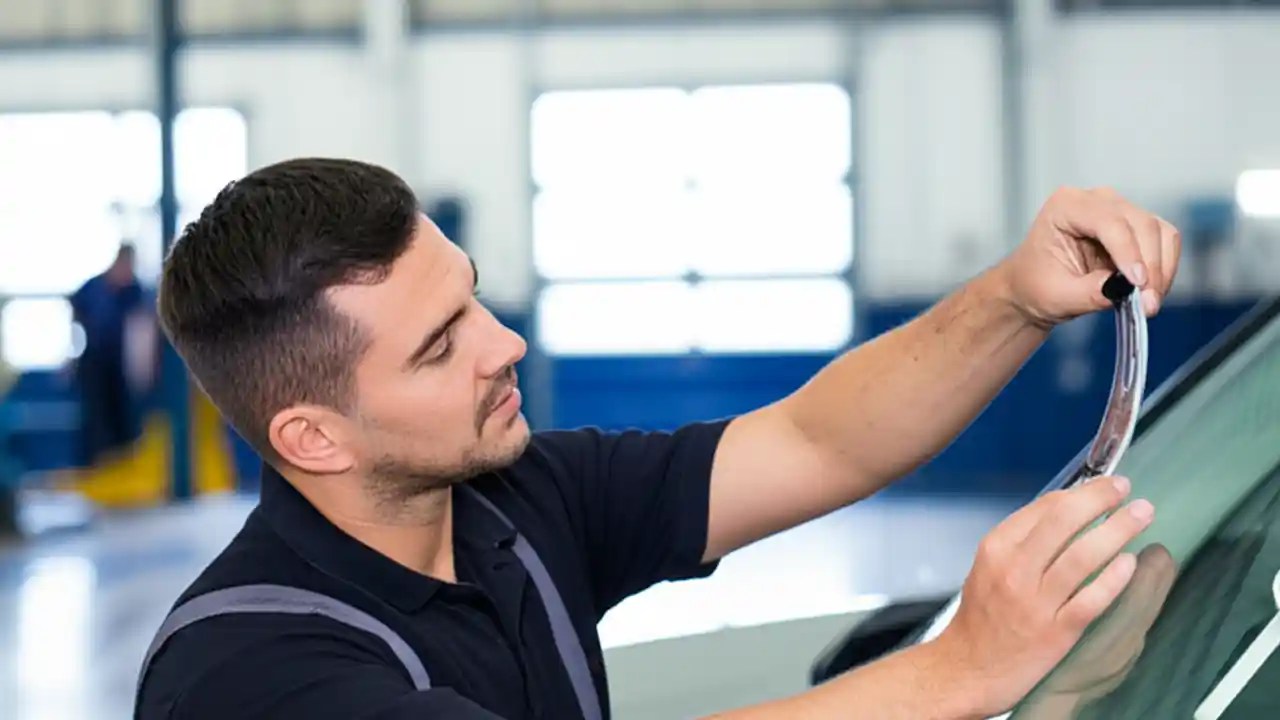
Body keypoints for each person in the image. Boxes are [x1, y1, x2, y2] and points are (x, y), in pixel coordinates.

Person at [135, 158, 1180, 720]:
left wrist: (1011, 298)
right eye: (438, 346)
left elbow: (817, 443)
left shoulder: (512, 500)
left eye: (475, 301)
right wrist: (955, 672)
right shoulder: (251, 669)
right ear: (313, 438)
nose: (503, 344)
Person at [69, 244, 148, 466]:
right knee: (96, 418)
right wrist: (71, 357)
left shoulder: (134, 290)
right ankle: (96, 466)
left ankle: (119, 467)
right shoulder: (93, 288)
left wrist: (140, 368)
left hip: (120, 366)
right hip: (93, 362)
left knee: (122, 418)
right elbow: (75, 317)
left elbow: (141, 327)